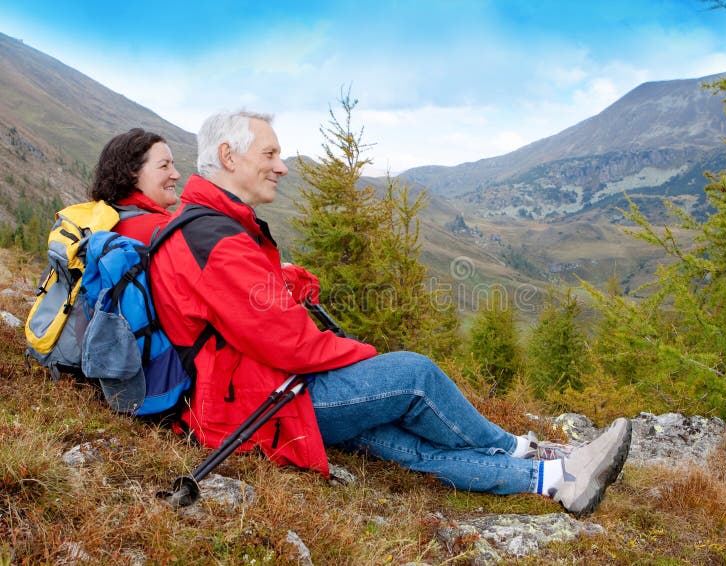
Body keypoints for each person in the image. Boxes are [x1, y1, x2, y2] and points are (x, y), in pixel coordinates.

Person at [150, 111, 632, 516]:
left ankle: (556, 478)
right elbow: (287, 341)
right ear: (229, 157)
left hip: (234, 399)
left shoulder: (207, 227)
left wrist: (289, 279)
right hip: (253, 402)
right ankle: (520, 448)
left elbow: (241, 303)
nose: (282, 167)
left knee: (404, 445)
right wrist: (366, 359)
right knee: (413, 375)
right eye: (270, 154)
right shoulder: (213, 237)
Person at [89, 128, 181, 243]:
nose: (176, 175)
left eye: (172, 164)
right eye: (164, 166)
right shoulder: (163, 230)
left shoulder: (105, 220)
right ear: (133, 171)